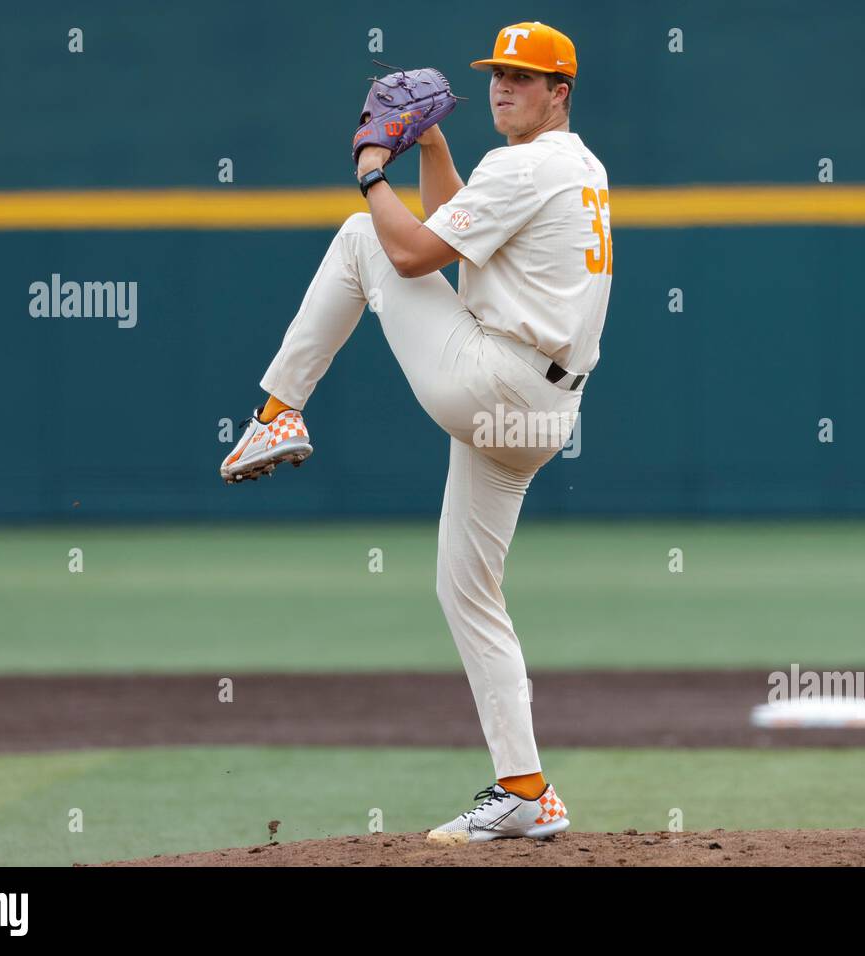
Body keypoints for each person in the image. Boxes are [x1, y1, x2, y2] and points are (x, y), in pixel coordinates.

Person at [219, 21, 611, 843]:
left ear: (559, 92)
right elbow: (453, 230)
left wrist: (370, 170)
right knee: (466, 590)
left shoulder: (524, 164)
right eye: (498, 74)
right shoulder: (574, 167)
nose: (505, 86)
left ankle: (275, 411)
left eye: (524, 78)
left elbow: (408, 256)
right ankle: (526, 791)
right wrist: (431, 145)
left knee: (366, 236)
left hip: (493, 379)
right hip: (540, 410)